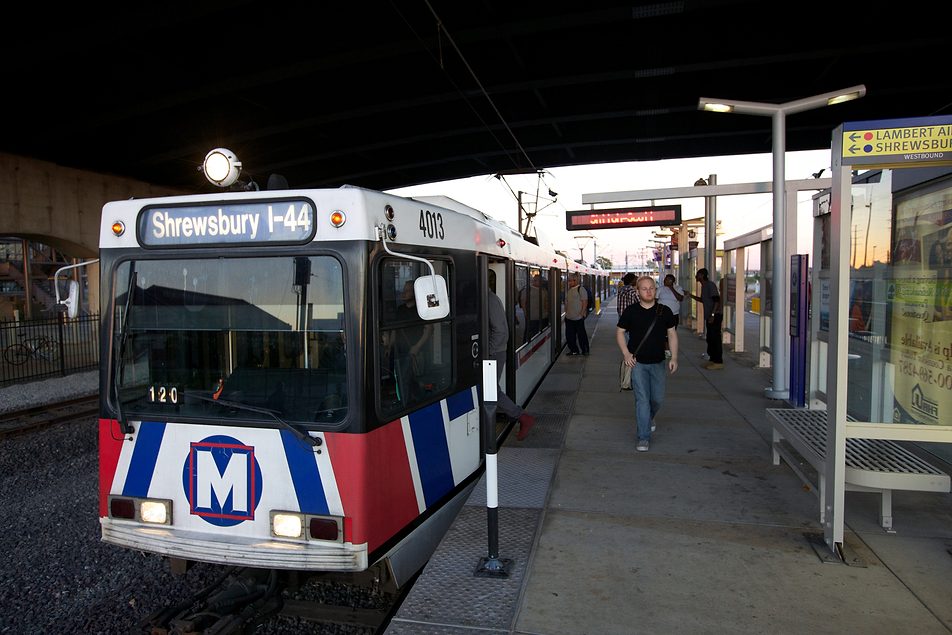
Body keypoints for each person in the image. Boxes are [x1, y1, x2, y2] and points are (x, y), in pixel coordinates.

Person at [616, 276, 678, 452]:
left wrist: (674, 357)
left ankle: (649, 417)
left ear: (655, 290)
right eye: (644, 288)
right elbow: (620, 332)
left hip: (658, 362)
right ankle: (643, 437)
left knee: (657, 399)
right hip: (637, 363)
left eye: (651, 288)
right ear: (637, 291)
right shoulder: (631, 311)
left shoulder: (664, 311)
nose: (648, 291)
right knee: (642, 400)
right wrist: (626, 353)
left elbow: (672, 334)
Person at [488, 289, 535, 440]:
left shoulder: (490, 299)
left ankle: (523, 417)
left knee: (490, 391)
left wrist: (488, 352)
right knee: (489, 391)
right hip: (492, 352)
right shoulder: (486, 298)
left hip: (494, 353)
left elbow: (501, 331)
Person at [685, 268, 723, 369]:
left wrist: (713, 315)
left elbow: (716, 300)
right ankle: (712, 359)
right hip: (709, 316)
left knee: (715, 338)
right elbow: (703, 300)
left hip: (715, 316)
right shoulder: (704, 286)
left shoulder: (710, 285)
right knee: (710, 338)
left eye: (697, 274)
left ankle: (718, 362)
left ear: (702, 275)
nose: (696, 276)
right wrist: (691, 295)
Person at [564, 273, 589, 356]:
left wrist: (581, 314)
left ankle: (585, 350)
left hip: (578, 318)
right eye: (569, 281)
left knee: (581, 335)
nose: (569, 282)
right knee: (569, 336)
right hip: (569, 317)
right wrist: (566, 312)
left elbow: (585, 302)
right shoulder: (569, 291)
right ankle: (574, 350)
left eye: (570, 281)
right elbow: (567, 302)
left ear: (575, 281)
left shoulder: (581, 289)